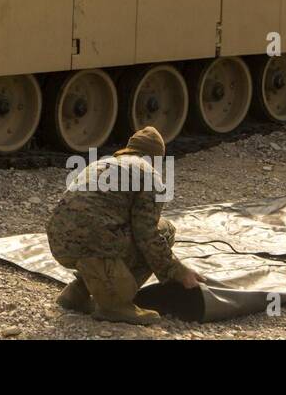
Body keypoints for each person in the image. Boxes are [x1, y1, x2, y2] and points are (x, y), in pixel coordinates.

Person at [45, 127, 198, 325]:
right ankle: (115, 304)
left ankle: (77, 293)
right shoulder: (149, 173)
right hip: (93, 242)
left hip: (58, 243)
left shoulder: (100, 164)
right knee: (165, 230)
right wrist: (177, 270)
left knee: (103, 233)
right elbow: (147, 234)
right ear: (156, 157)